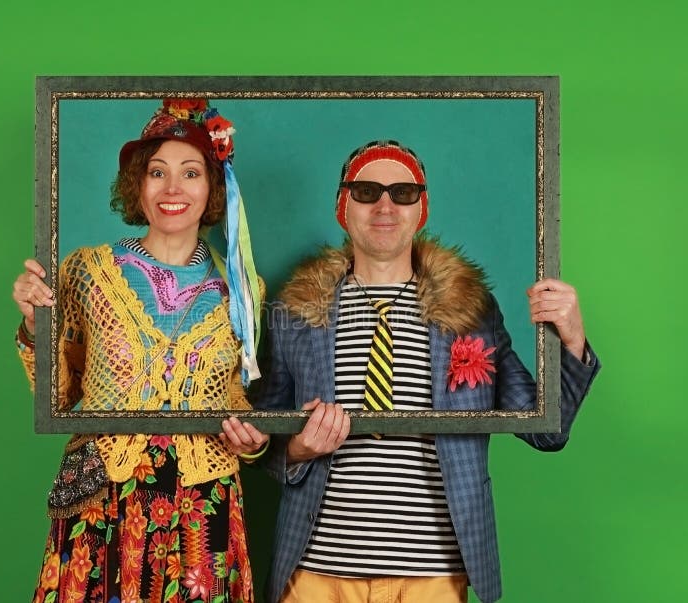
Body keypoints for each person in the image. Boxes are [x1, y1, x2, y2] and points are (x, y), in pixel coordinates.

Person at [254, 140, 600, 603]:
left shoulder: (471, 311)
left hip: (434, 577)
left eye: (403, 193)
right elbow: (264, 439)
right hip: (318, 574)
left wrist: (573, 340)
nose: (385, 206)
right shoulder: (294, 313)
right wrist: (298, 450)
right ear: (342, 206)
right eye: (366, 191)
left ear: (422, 208)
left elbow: (547, 430)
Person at [12, 99, 269, 603]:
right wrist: (34, 326)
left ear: (213, 188)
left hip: (204, 502)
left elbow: (236, 399)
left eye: (190, 173)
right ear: (138, 184)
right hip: (104, 498)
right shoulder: (87, 271)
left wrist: (253, 441)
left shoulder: (245, 290)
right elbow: (59, 396)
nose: (173, 188)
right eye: (157, 172)